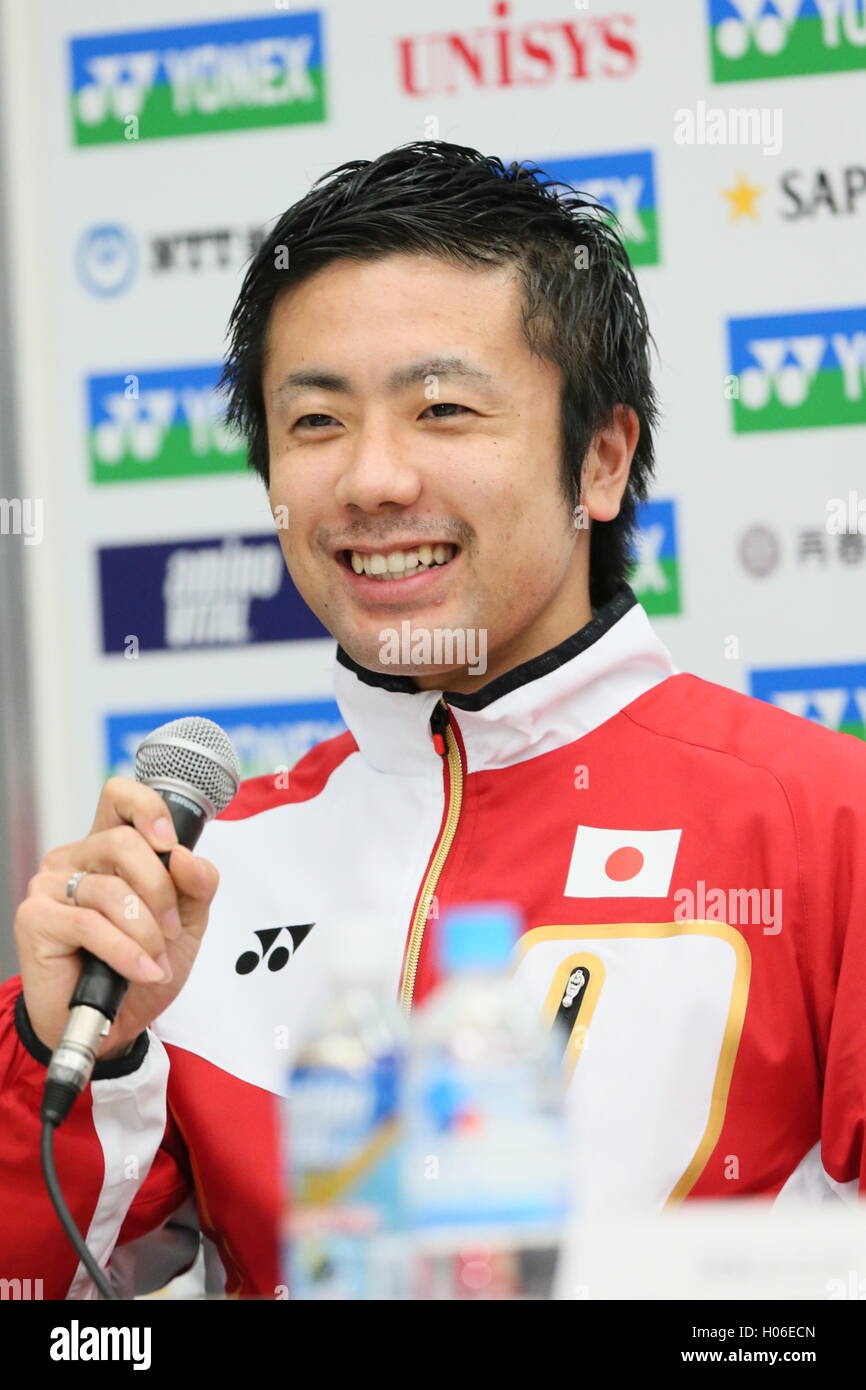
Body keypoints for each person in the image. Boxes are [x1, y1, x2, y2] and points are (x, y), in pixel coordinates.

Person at [2, 141, 864, 1300]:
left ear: (598, 461)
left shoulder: (823, 823)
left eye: (442, 407)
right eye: (314, 424)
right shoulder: (203, 874)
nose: (371, 479)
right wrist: (71, 1054)